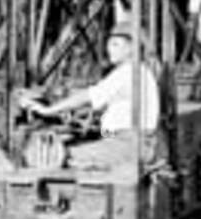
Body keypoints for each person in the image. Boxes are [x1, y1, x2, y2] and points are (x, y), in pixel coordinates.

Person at [19, 23, 160, 169]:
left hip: (128, 144)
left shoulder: (128, 72)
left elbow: (89, 96)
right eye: (109, 44)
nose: (109, 49)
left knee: (59, 156)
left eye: (115, 44)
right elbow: (104, 103)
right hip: (128, 142)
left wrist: (48, 110)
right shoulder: (138, 72)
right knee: (75, 148)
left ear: (131, 48)